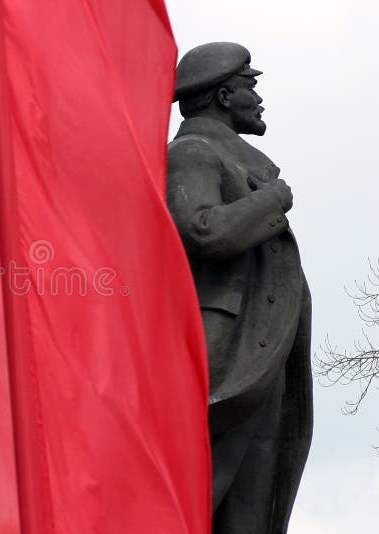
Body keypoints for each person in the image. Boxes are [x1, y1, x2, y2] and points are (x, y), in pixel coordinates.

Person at [166, 42, 313, 533]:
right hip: (222, 354)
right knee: (198, 491)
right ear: (224, 95)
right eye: (251, 85)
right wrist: (271, 201)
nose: (258, 97)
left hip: (261, 354)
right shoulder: (191, 153)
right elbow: (202, 230)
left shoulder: (240, 160)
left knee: (255, 500)